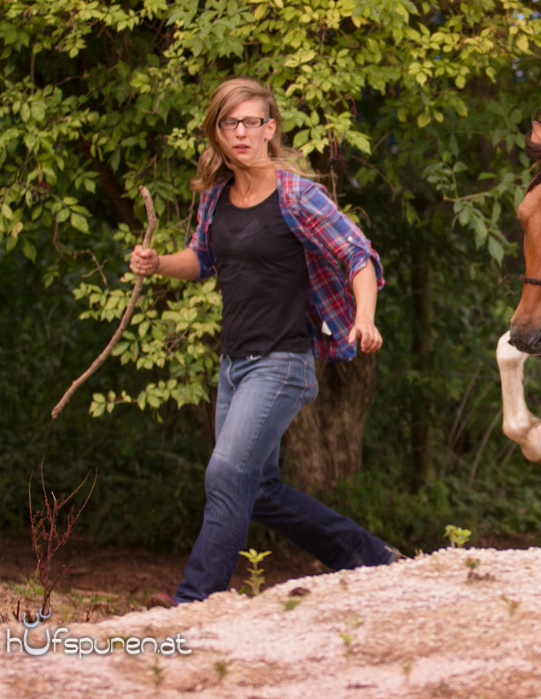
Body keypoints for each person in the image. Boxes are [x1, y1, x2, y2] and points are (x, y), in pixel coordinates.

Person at [130, 77, 399, 605]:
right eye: (229, 124)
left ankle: (196, 601)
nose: (240, 133)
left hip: (282, 363)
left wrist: (364, 318)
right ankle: (372, 558)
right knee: (259, 491)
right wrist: (158, 263)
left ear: (270, 129)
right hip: (233, 366)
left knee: (226, 472)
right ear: (218, 132)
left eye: (251, 122)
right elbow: (201, 260)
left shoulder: (298, 196)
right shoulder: (216, 199)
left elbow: (357, 256)